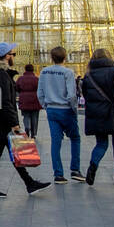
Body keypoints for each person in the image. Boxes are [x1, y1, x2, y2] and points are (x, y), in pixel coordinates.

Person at [0, 42, 50, 199]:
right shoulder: (0, 75)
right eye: (13, 54)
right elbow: (5, 102)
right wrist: (14, 123)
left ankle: (27, 183)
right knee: (7, 153)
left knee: (7, 153)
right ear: (7, 56)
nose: (14, 57)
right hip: (3, 122)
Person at [81, 47, 114, 186]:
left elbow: (85, 95)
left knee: (101, 144)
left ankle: (93, 166)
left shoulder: (88, 75)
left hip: (96, 113)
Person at [36, 45, 82, 184]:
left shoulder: (44, 72)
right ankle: (75, 169)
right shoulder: (67, 72)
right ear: (65, 57)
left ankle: (58, 174)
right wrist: (74, 109)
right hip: (66, 109)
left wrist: (45, 105)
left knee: (56, 142)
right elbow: (71, 94)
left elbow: (40, 93)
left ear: (51, 57)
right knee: (75, 138)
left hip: (52, 109)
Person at [15, 64, 42, 138]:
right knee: (35, 117)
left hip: (24, 99)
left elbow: (16, 88)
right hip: (35, 99)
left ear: (25, 69)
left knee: (26, 115)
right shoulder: (36, 79)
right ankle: (33, 133)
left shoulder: (20, 79)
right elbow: (40, 88)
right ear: (33, 70)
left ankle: (27, 127)